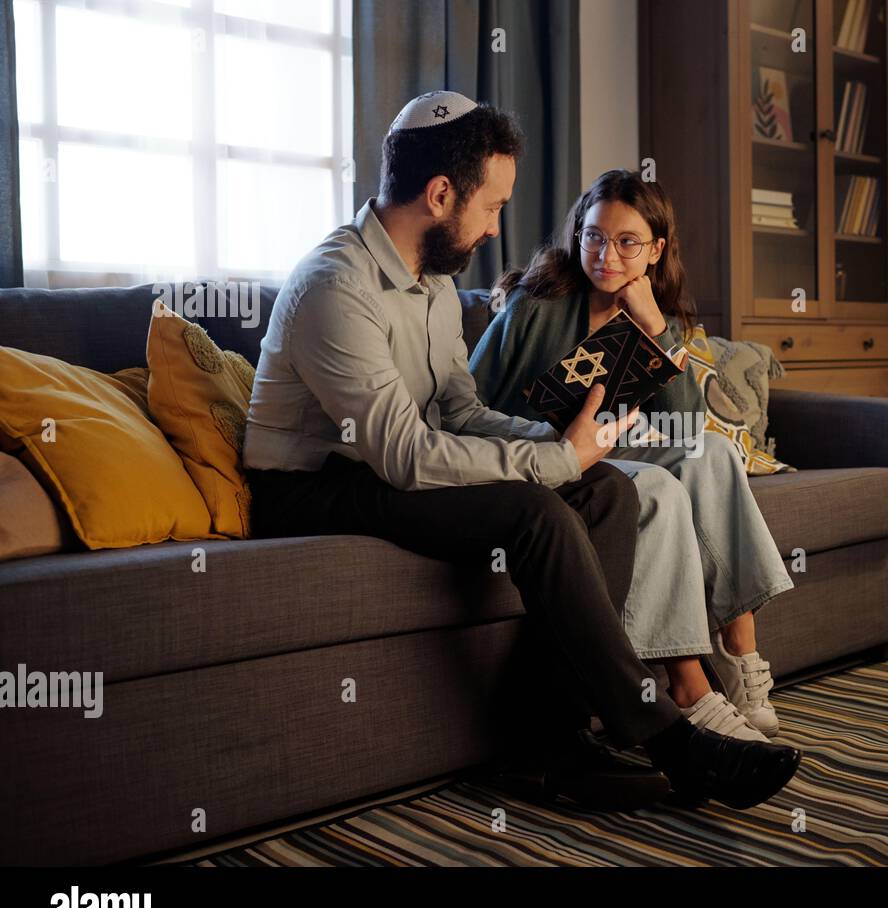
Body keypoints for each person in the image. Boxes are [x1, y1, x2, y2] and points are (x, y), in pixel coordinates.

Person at [239, 91, 800, 811]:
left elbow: (459, 410)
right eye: (492, 205)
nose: (497, 227)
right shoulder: (335, 288)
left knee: (610, 489)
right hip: (316, 487)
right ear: (441, 195)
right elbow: (407, 455)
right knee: (538, 510)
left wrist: (567, 446)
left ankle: (554, 744)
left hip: (385, 465)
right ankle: (669, 738)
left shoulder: (432, 282)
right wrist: (555, 461)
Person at [470, 169, 794, 740]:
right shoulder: (532, 305)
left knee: (711, 454)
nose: (606, 254)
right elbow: (466, 401)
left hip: (622, 453)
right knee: (657, 482)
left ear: (655, 249)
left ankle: (742, 657)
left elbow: (690, 425)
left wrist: (653, 328)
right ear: (578, 236)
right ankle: (684, 689)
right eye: (593, 236)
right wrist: (545, 434)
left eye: (627, 242)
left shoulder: (657, 314)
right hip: (549, 460)